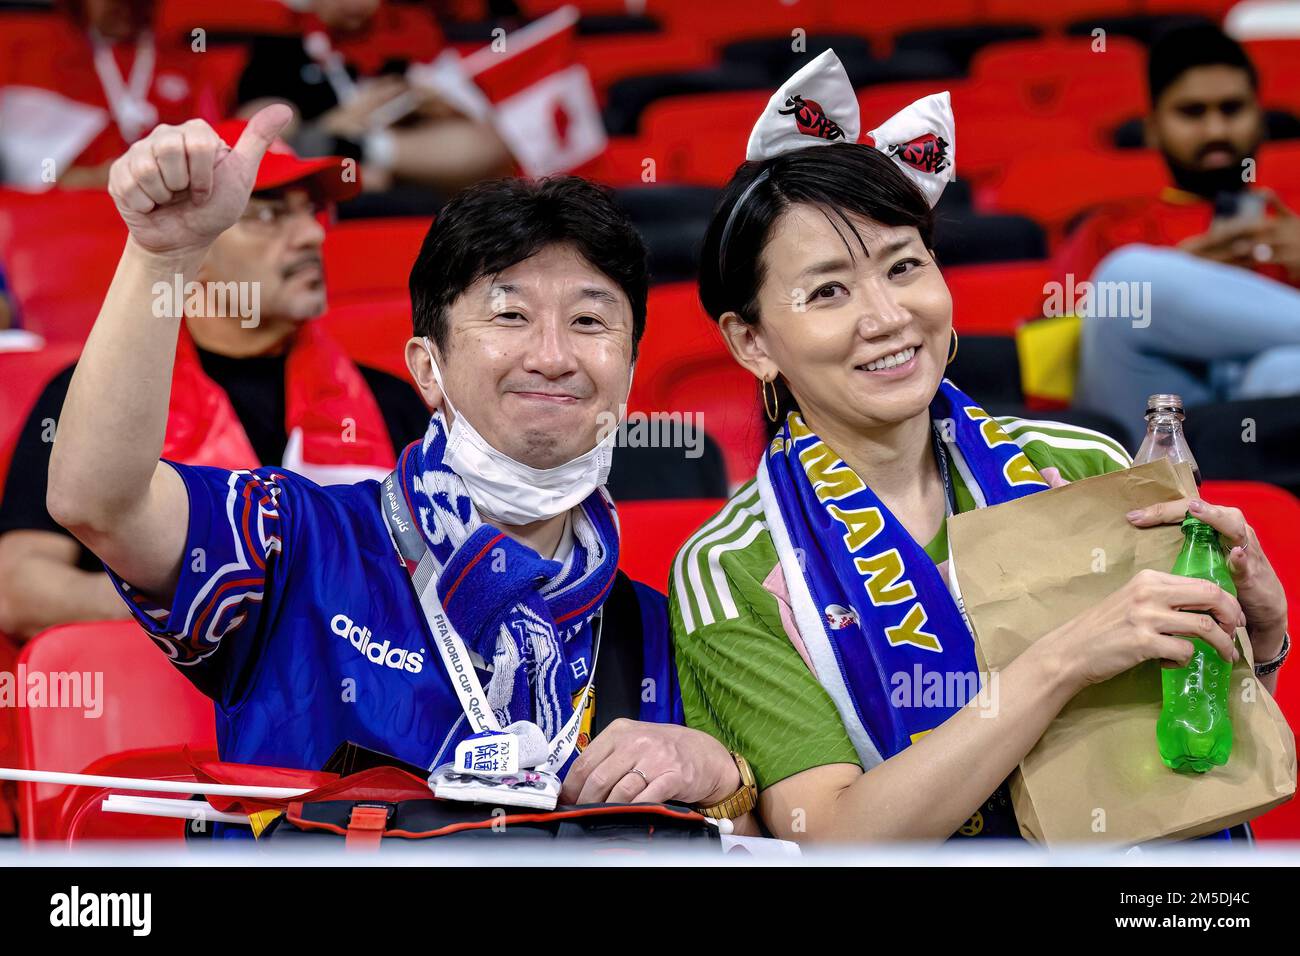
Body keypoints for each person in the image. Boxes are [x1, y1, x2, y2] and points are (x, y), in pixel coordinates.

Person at [44, 106, 758, 827]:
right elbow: (101, 502)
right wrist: (162, 258)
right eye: (510, 316)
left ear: (630, 371)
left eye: (590, 321)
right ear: (428, 366)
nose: (553, 355)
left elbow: (780, 828)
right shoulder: (298, 542)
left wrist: (722, 773)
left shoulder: (665, 626)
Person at [668, 51, 1289, 844]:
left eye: (904, 266)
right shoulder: (733, 567)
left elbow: (1192, 736)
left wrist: (1259, 642)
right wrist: (1062, 660)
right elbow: (829, 839)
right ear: (752, 341)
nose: (888, 316)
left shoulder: (1081, 463)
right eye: (828, 291)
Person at [0, 123, 427, 642]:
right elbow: (17, 588)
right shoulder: (95, 398)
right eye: (268, 213)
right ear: (194, 246)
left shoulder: (392, 400)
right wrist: (208, 599)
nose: (313, 234)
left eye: (310, 210)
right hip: (169, 709)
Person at [1063, 24, 1300, 446]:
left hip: (1268, 436)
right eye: (1192, 113)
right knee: (1127, 278)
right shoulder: (1110, 226)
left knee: (1282, 368)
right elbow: (1057, 356)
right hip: (1153, 430)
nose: (1215, 131)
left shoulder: (1292, 220)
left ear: (1260, 119)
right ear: (1153, 127)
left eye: (1232, 109)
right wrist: (1178, 281)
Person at [236, 0, 514, 197]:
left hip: (394, 153)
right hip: (309, 154)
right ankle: (331, 148)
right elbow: (251, 123)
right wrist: (336, 124)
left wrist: (437, 106)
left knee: (486, 141)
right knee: (264, 117)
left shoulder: (409, 36)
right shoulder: (279, 44)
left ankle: (358, 149)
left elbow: (477, 120)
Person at [0, 0, 216, 188]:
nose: (122, 6)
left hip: (164, 205)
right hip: (72, 211)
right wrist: (94, 178)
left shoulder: (188, 61)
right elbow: (25, 165)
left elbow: (209, 146)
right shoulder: (41, 56)